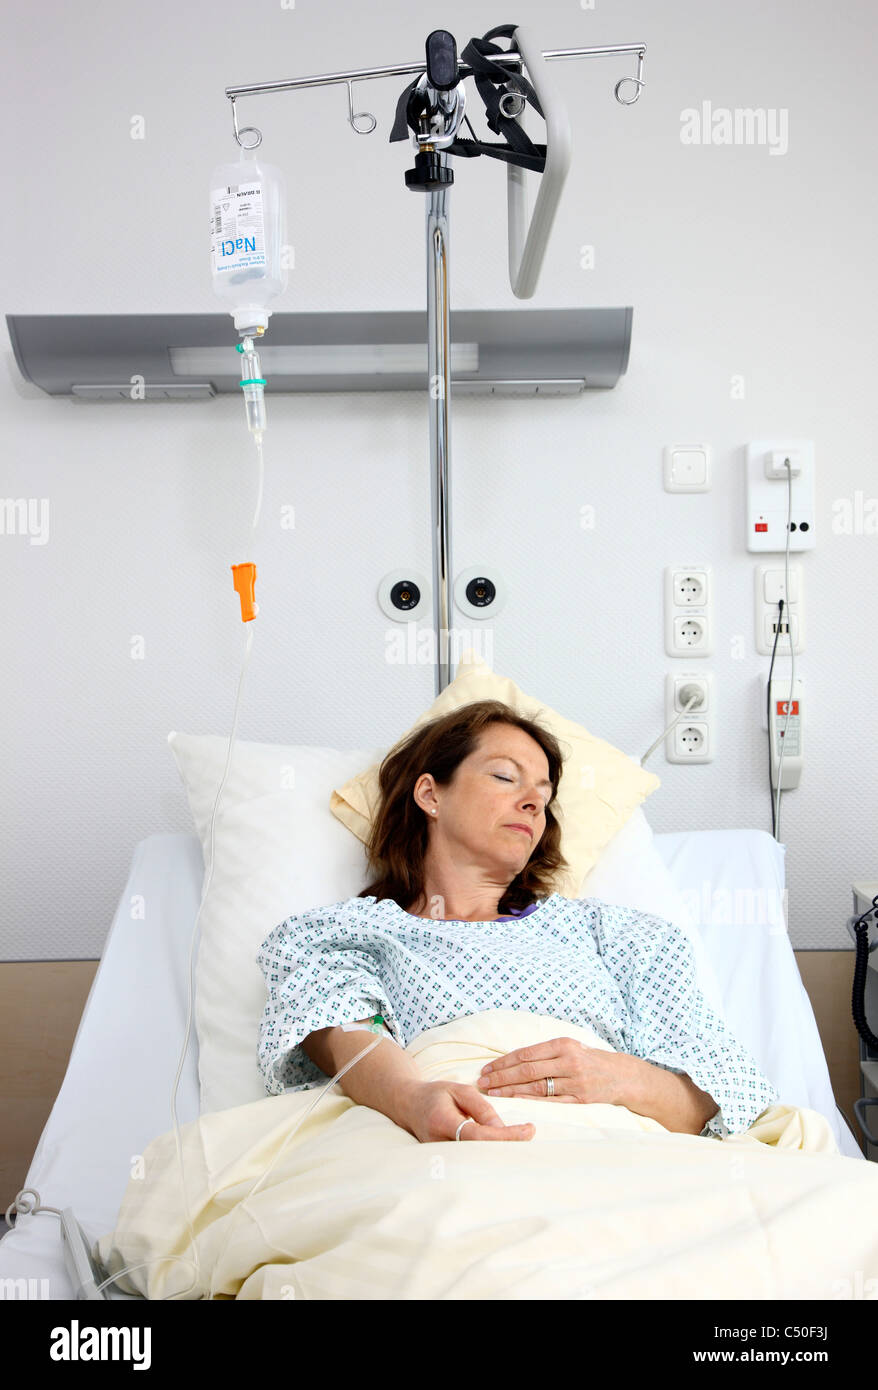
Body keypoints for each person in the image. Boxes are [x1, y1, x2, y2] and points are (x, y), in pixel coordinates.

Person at [256, 700, 779, 1143]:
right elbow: (348, 1033)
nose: (532, 801)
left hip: (616, 1153)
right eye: (505, 777)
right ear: (430, 794)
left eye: (545, 796)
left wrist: (618, 1077)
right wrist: (415, 1101)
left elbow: (724, 1106)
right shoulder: (350, 935)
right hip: (443, 1149)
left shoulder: (618, 938)